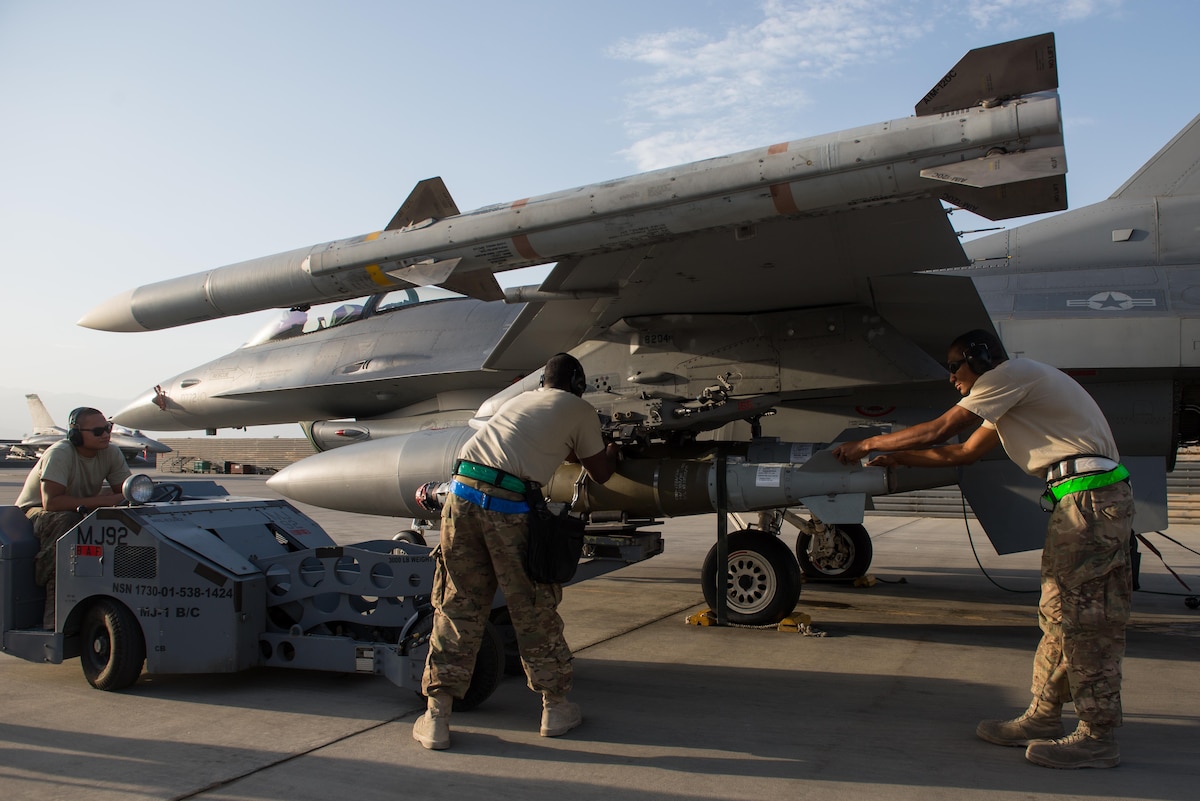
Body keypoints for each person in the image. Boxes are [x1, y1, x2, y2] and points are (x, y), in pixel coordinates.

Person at [832, 329, 1134, 770]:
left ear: (980, 358)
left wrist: (866, 443)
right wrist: (899, 460)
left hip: (1091, 500)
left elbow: (939, 430)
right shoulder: (1010, 393)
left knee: (1088, 622)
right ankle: (1044, 717)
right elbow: (964, 453)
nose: (952, 376)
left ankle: (1098, 736)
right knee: (1056, 615)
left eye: (955, 365)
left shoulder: (1011, 375)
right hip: (1078, 500)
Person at [413, 353, 620, 751]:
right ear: (578, 385)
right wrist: (610, 452)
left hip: (460, 494)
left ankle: (436, 717)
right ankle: (555, 707)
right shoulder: (580, 408)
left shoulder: (518, 401)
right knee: (531, 605)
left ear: (543, 381)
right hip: (507, 505)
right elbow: (599, 471)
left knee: (458, 605)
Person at [15, 407, 132, 629]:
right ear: (76, 434)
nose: (106, 435)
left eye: (107, 428)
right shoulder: (60, 453)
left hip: (77, 508)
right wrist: (104, 500)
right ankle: (53, 610)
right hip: (34, 513)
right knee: (66, 522)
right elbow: (52, 503)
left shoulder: (111, 453)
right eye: (98, 431)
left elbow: (126, 494)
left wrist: (115, 499)